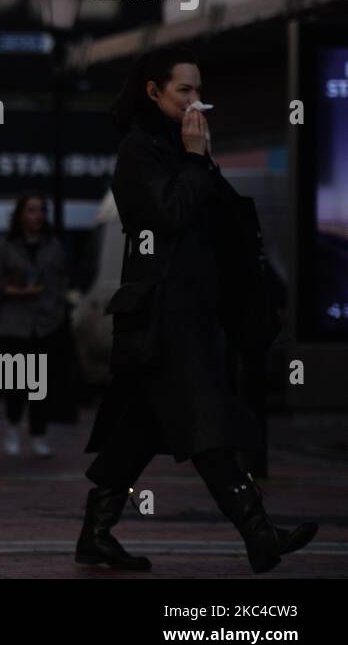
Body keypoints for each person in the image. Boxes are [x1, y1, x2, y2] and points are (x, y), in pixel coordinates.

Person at [77, 48, 317, 573]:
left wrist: (201, 161)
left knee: (136, 432)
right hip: (163, 319)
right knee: (208, 426)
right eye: (184, 90)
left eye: (198, 90)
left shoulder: (181, 148)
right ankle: (259, 534)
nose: (195, 100)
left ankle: (95, 535)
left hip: (191, 314)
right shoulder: (139, 152)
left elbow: (220, 227)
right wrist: (193, 159)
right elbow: (170, 215)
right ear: (153, 92)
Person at [0, 193, 68, 459]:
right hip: (15, 322)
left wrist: (56, 311)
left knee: (40, 384)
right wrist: (12, 290)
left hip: (44, 322)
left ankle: (38, 434)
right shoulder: (7, 246)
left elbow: (61, 282)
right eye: (32, 210)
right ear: (21, 214)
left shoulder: (53, 245)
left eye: (41, 210)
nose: (37, 216)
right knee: (17, 383)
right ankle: (12, 427)